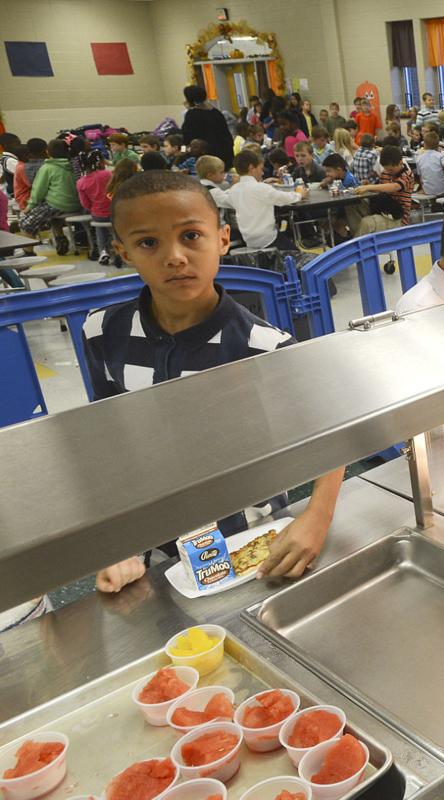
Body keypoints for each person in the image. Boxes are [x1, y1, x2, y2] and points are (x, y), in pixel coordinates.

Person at [82, 170, 345, 592]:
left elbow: (332, 429)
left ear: (223, 238)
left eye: (190, 236)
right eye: (148, 242)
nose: (174, 257)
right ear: (123, 251)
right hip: (152, 539)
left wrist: (317, 516)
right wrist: (117, 542)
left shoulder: (265, 347)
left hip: (249, 535)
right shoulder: (101, 331)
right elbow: (108, 441)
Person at [225, 149, 306, 250]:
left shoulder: (233, 190)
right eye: (261, 169)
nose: (262, 172)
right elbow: (283, 199)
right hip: (268, 239)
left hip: (249, 240)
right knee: (297, 256)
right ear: (251, 168)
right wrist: (299, 194)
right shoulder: (261, 188)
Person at [19, 138, 82, 254]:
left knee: (25, 223)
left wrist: (29, 207)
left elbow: (38, 191)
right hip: (77, 204)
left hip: (58, 204)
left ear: (48, 152)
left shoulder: (47, 168)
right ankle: (60, 238)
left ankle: (28, 253)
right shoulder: (74, 165)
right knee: (52, 215)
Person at [354, 145, 415, 225]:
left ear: (401, 162)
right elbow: (380, 188)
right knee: (354, 206)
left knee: (366, 223)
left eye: (391, 169)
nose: (388, 171)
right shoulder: (385, 173)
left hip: (400, 218)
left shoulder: (407, 174)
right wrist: (367, 185)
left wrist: (368, 187)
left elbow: (395, 187)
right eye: (386, 169)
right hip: (384, 211)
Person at [180, 84, 235, 167]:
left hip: (207, 159)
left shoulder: (192, 114)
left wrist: (181, 152)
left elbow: (186, 138)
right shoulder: (216, 112)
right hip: (226, 156)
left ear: (190, 99)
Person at [75, 149, 113, 263]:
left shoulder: (81, 182)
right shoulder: (107, 174)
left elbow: (85, 204)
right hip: (114, 212)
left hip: (98, 214)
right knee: (115, 229)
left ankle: (103, 251)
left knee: (100, 228)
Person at [414, 132, 444, 197]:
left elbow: (421, 178)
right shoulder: (439, 156)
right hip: (442, 190)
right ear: (438, 145)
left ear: (424, 145)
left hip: (427, 190)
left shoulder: (419, 158)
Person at [13, 138, 47, 211]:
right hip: (25, 198)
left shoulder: (25, 165)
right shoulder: (22, 167)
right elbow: (34, 186)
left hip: (32, 195)